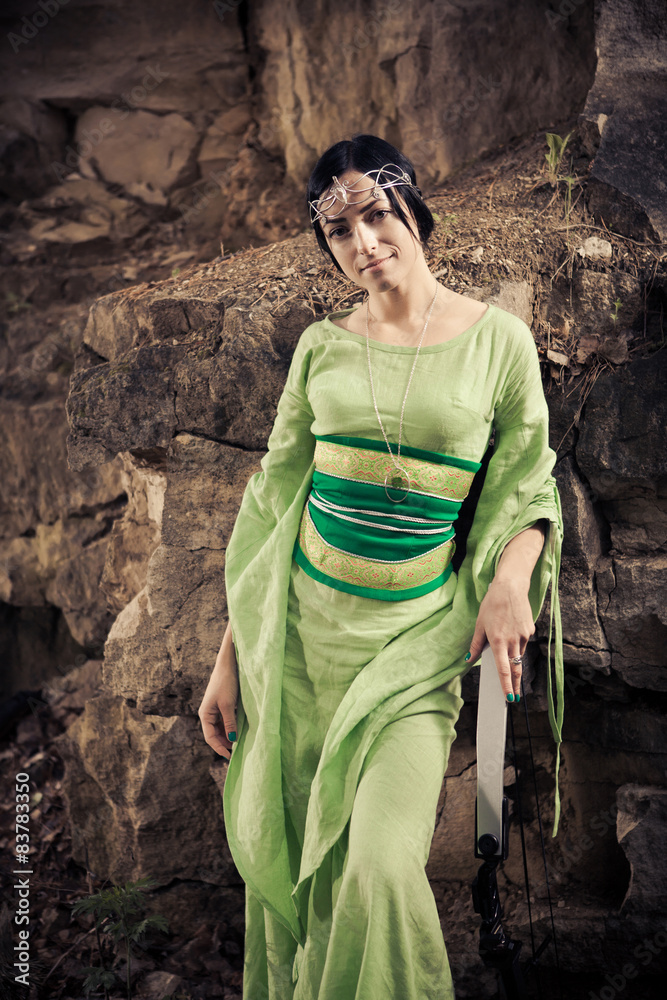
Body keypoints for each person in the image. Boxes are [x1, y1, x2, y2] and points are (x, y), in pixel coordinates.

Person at [198, 133, 564, 1000]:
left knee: (376, 867)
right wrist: (232, 657)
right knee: (301, 872)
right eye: (339, 233)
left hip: (408, 654)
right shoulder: (320, 348)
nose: (363, 245)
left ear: (410, 209)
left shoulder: (497, 342)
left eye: (375, 216)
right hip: (297, 650)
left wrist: (511, 579)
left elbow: (528, 483)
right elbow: (275, 506)